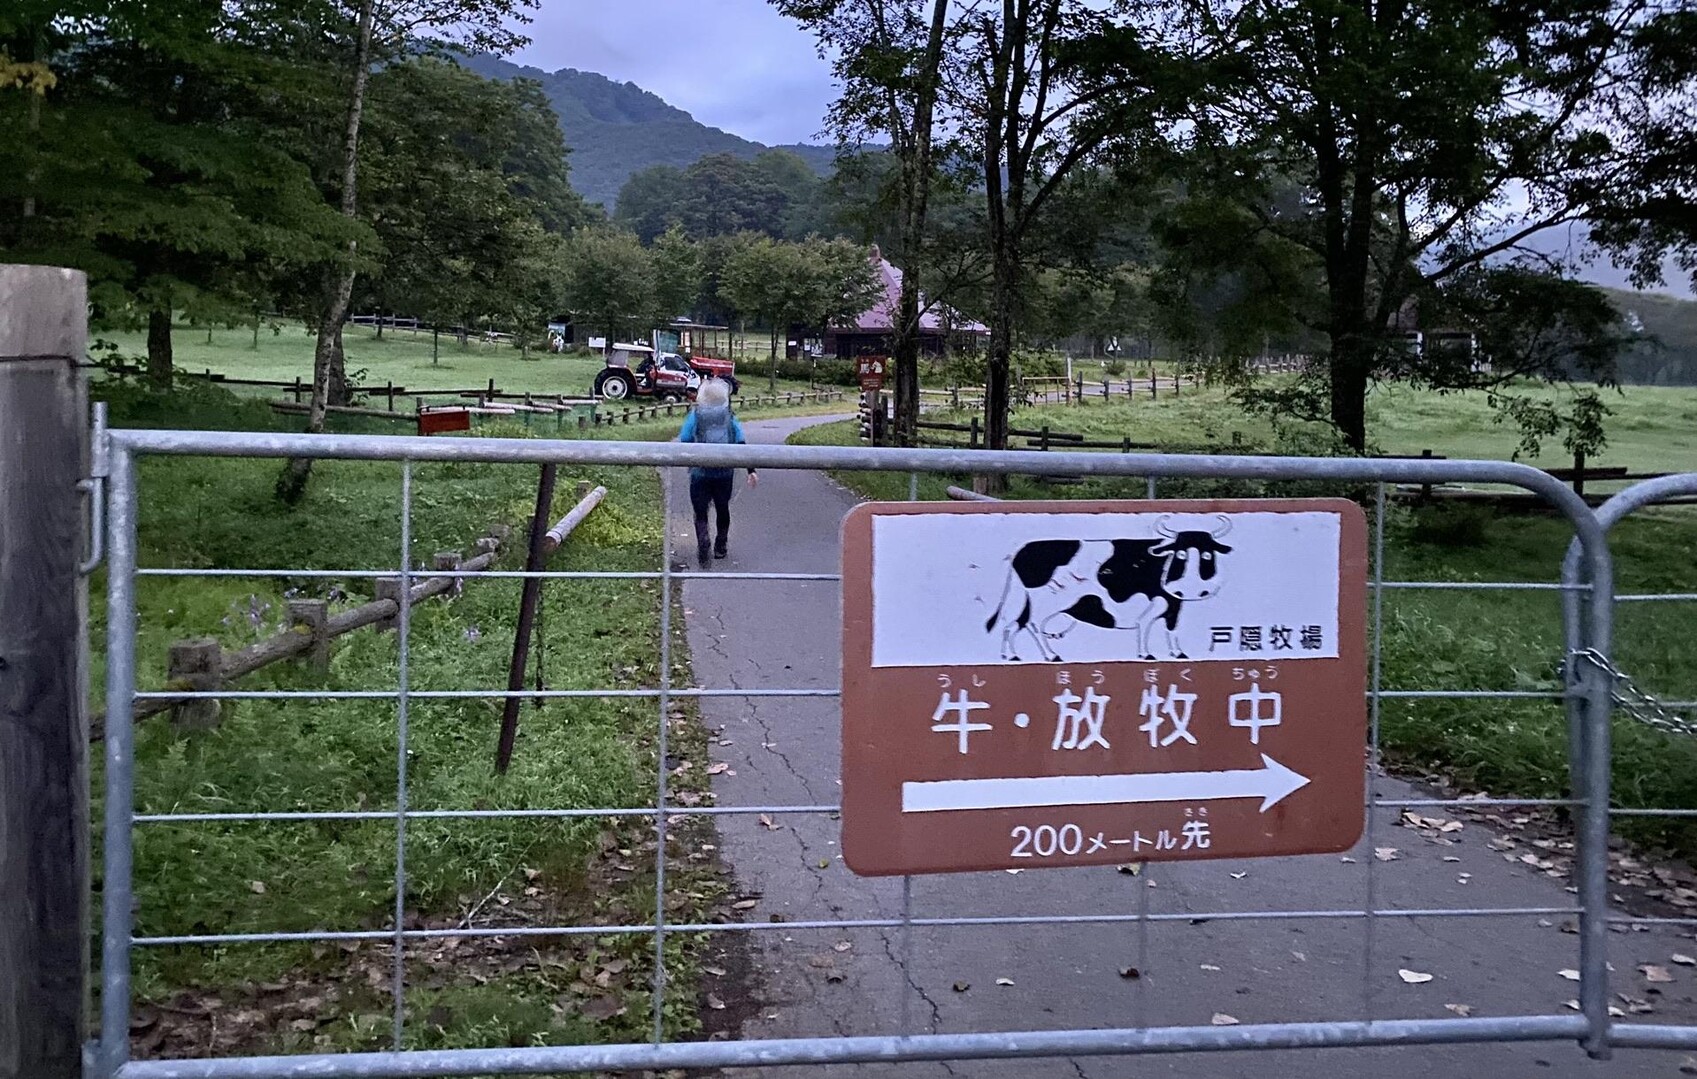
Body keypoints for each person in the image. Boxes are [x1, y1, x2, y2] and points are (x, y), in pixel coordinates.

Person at [676, 379, 757, 567]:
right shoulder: (729, 416)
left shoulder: (695, 415)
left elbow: (685, 438)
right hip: (724, 472)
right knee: (723, 508)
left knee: (700, 511)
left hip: (699, 472)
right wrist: (750, 470)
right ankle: (721, 546)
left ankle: (703, 540)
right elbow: (740, 442)